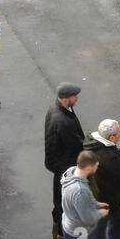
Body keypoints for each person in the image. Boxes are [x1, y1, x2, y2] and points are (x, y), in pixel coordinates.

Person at [43, 82, 84, 226]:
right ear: (66, 98)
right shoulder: (63, 121)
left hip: (58, 162)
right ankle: (62, 227)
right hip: (65, 165)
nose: (77, 98)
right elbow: (76, 144)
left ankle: (57, 219)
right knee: (64, 198)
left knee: (59, 194)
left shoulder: (57, 108)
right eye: (74, 96)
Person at [61, 150, 107, 239]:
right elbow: (88, 219)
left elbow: (79, 203)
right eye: (96, 166)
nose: (97, 169)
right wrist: (101, 213)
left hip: (68, 225)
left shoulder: (71, 172)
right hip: (79, 233)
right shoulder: (80, 191)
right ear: (89, 168)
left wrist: (96, 204)